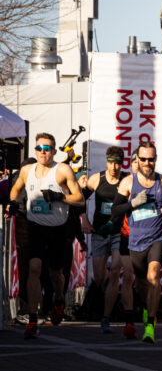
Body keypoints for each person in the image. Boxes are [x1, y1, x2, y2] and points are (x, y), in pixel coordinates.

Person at [9, 133, 85, 339]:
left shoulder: (62, 170)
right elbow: (14, 190)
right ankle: (33, 320)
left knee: (56, 275)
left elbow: (80, 199)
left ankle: (59, 299)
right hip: (35, 227)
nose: (43, 152)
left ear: (54, 150)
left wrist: (61, 196)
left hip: (58, 229)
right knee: (34, 269)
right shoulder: (26, 171)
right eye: (39, 148)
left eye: (47, 148)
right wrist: (14, 203)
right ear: (35, 150)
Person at [111, 142, 162, 344]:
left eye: (151, 159)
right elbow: (115, 211)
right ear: (137, 160)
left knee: (154, 275)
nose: (148, 163)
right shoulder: (127, 183)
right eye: (144, 159)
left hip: (157, 238)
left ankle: (149, 324)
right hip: (135, 241)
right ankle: (149, 309)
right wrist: (133, 203)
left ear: (155, 159)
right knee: (141, 284)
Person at [81, 146, 135, 336]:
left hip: (119, 233)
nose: (114, 167)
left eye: (118, 163)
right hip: (99, 232)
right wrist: (84, 219)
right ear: (107, 162)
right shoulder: (97, 179)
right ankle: (104, 310)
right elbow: (80, 199)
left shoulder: (127, 180)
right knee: (99, 277)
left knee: (114, 273)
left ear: (123, 164)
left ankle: (106, 318)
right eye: (111, 162)